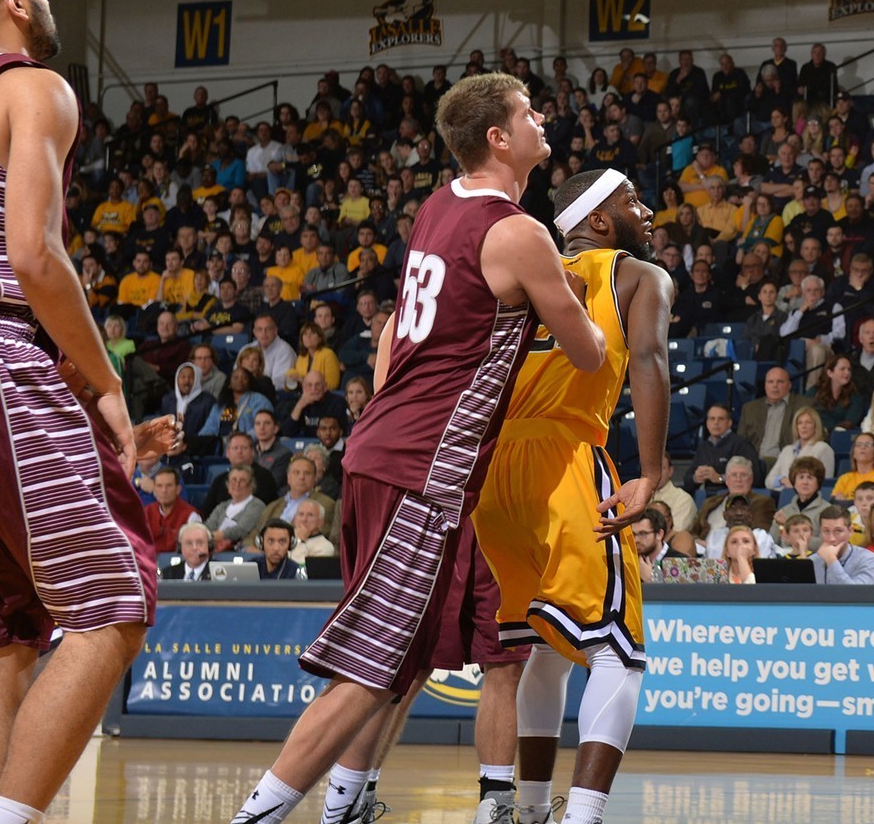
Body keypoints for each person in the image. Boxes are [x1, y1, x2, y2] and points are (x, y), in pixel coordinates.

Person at [230, 73, 605, 824]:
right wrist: (578, 288)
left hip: (382, 448)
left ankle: (341, 805)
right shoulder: (520, 233)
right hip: (425, 468)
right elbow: (590, 352)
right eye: (529, 113)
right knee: (367, 670)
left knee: (393, 662)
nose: (542, 121)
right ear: (498, 137)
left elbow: (395, 330)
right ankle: (257, 815)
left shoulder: (437, 205)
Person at [475, 168, 674, 824]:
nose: (648, 210)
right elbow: (646, 358)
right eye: (633, 200)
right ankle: (582, 815)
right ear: (598, 221)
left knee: (538, 646)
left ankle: (528, 808)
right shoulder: (637, 274)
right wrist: (650, 468)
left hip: (491, 472)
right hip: (562, 456)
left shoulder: (516, 275)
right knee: (617, 649)